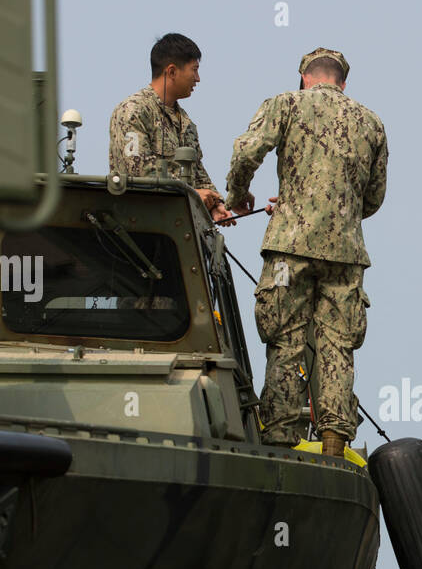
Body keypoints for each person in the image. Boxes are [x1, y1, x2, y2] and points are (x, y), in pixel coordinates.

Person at [224, 48, 388, 458]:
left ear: (305, 78)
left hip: (288, 250)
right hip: (345, 253)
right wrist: (339, 212)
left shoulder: (286, 104)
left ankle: (279, 441)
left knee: (286, 338)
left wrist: (239, 194)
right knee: (337, 346)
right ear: (343, 83)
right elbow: (375, 196)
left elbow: (246, 152)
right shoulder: (371, 122)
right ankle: (333, 443)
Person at [109, 34, 231, 221]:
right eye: (194, 70)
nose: (197, 79)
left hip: (176, 226)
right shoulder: (134, 110)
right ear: (172, 71)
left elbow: (197, 172)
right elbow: (137, 170)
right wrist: (192, 193)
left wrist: (216, 204)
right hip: (138, 224)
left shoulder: (185, 122)